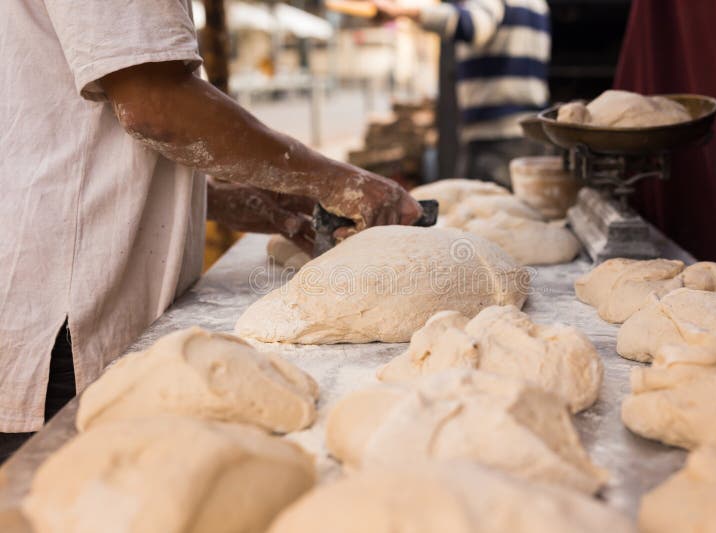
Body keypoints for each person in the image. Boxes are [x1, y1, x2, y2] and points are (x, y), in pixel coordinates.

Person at [0, 0, 421, 462]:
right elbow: (155, 106)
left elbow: (56, 113)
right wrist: (339, 181)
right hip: (63, 319)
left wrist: (218, 198)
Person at [374, 0, 551, 187]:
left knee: (482, 210)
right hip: (531, 132)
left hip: (494, 139)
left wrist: (403, 12)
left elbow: (470, 25)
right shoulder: (538, 4)